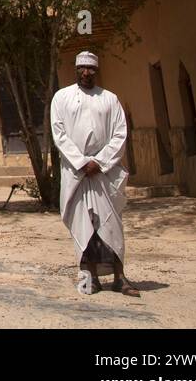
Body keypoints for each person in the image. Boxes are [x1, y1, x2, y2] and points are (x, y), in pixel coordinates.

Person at [50, 51, 139, 297]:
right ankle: (91, 278)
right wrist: (81, 162)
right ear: (76, 69)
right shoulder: (62, 97)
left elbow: (120, 134)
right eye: (82, 68)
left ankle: (120, 279)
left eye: (91, 69)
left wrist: (99, 162)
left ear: (96, 71)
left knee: (112, 225)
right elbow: (59, 133)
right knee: (84, 226)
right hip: (76, 173)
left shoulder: (110, 99)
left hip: (104, 173)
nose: (86, 73)